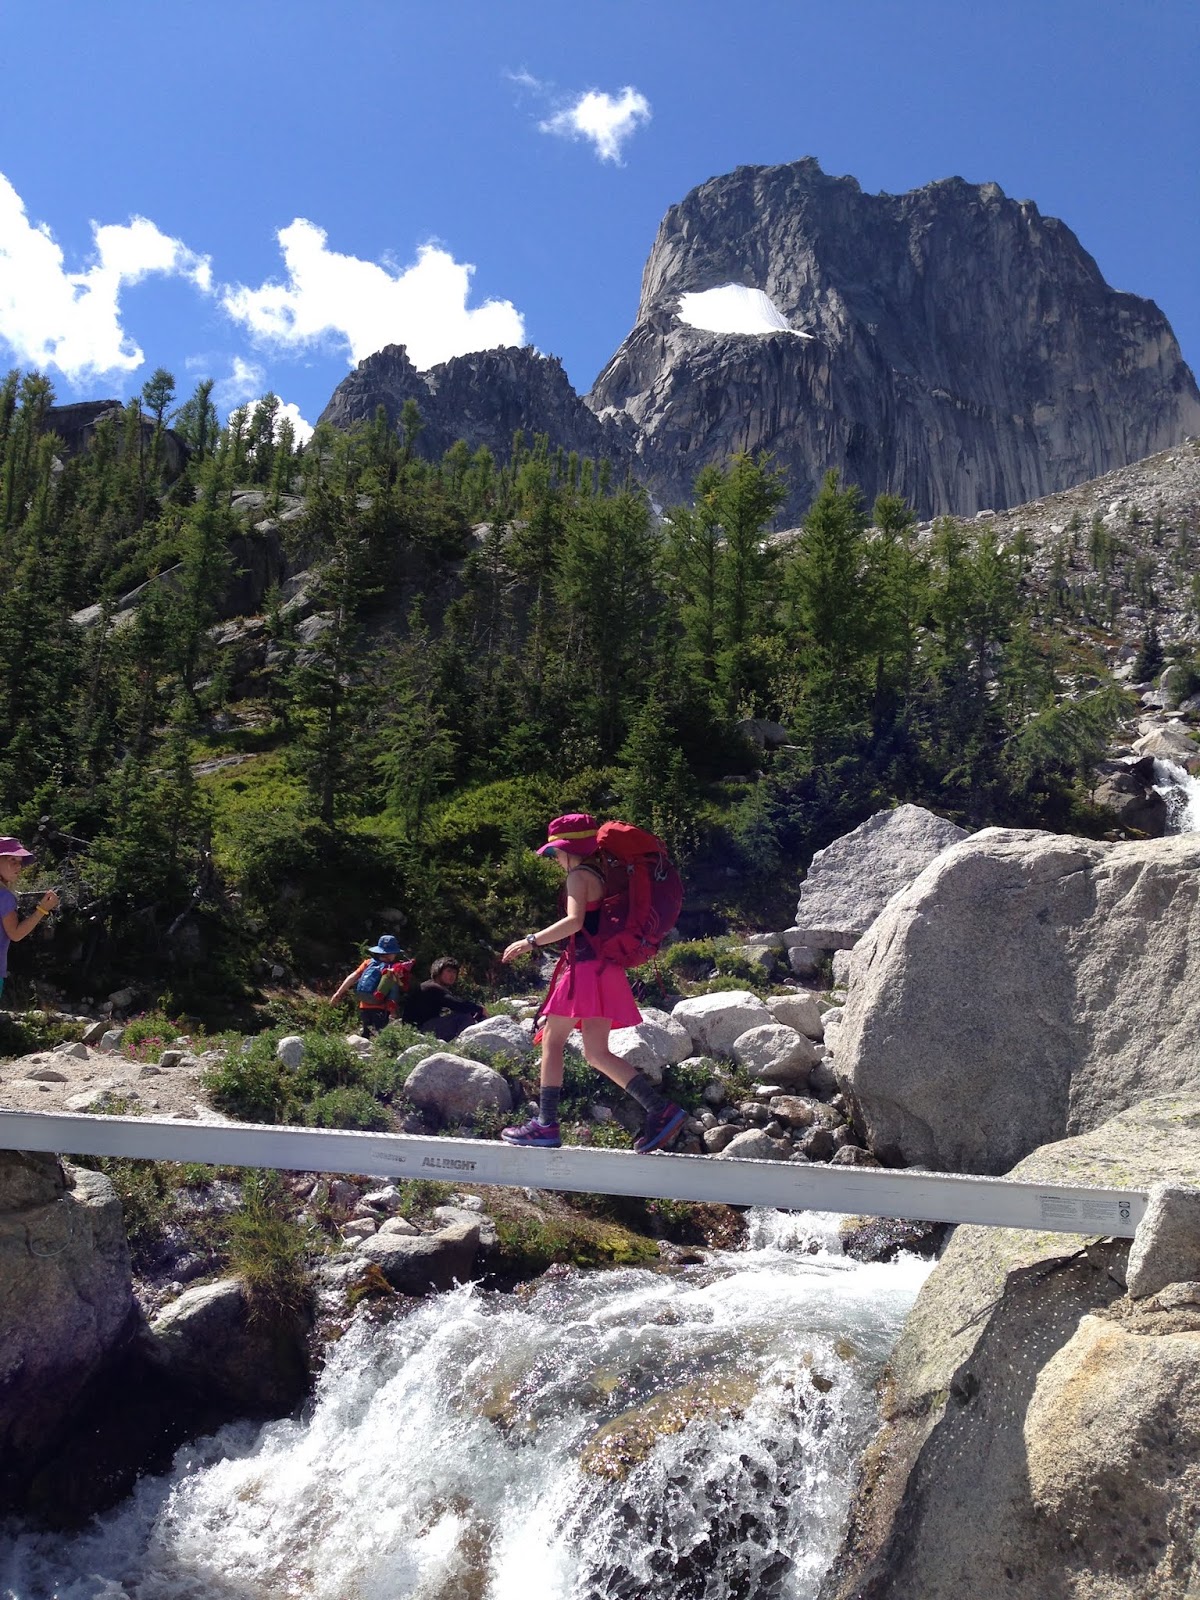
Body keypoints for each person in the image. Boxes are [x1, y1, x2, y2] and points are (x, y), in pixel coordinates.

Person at [498, 813, 685, 1153]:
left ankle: (546, 1124)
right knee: (597, 1053)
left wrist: (531, 940)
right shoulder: (601, 874)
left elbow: (573, 922)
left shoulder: (578, 877)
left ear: (569, 850)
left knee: (553, 1042)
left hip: (584, 970)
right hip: (605, 970)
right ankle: (661, 1110)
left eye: (555, 853)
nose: (555, 860)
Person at [0, 838, 58, 1005]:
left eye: (20, 862)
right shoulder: (5, 897)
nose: (19, 867)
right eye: (12, 860)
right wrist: (42, 909)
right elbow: (16, 934)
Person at [330, 933, 408, 1036]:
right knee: (378, 1037)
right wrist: (392, 1010)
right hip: (380, 1008)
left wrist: (338, 993)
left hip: (364, 1005)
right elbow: (394, 990)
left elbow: (352, 977)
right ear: (391, 954)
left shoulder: (368, 963)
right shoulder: (392, 969)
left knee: (366, 1035)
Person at [401, 956, 487, 1041]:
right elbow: (457, 1004)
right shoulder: (432, 987)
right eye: (448, 971)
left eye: (454, 972)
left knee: (466, 1014)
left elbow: (457, 1004)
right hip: (420, 1030)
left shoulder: (432, 986)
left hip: (420, 1028)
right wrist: (479, 1009)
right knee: (463, 1017)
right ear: (438, 972)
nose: (452, 975)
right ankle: (470, 1044)